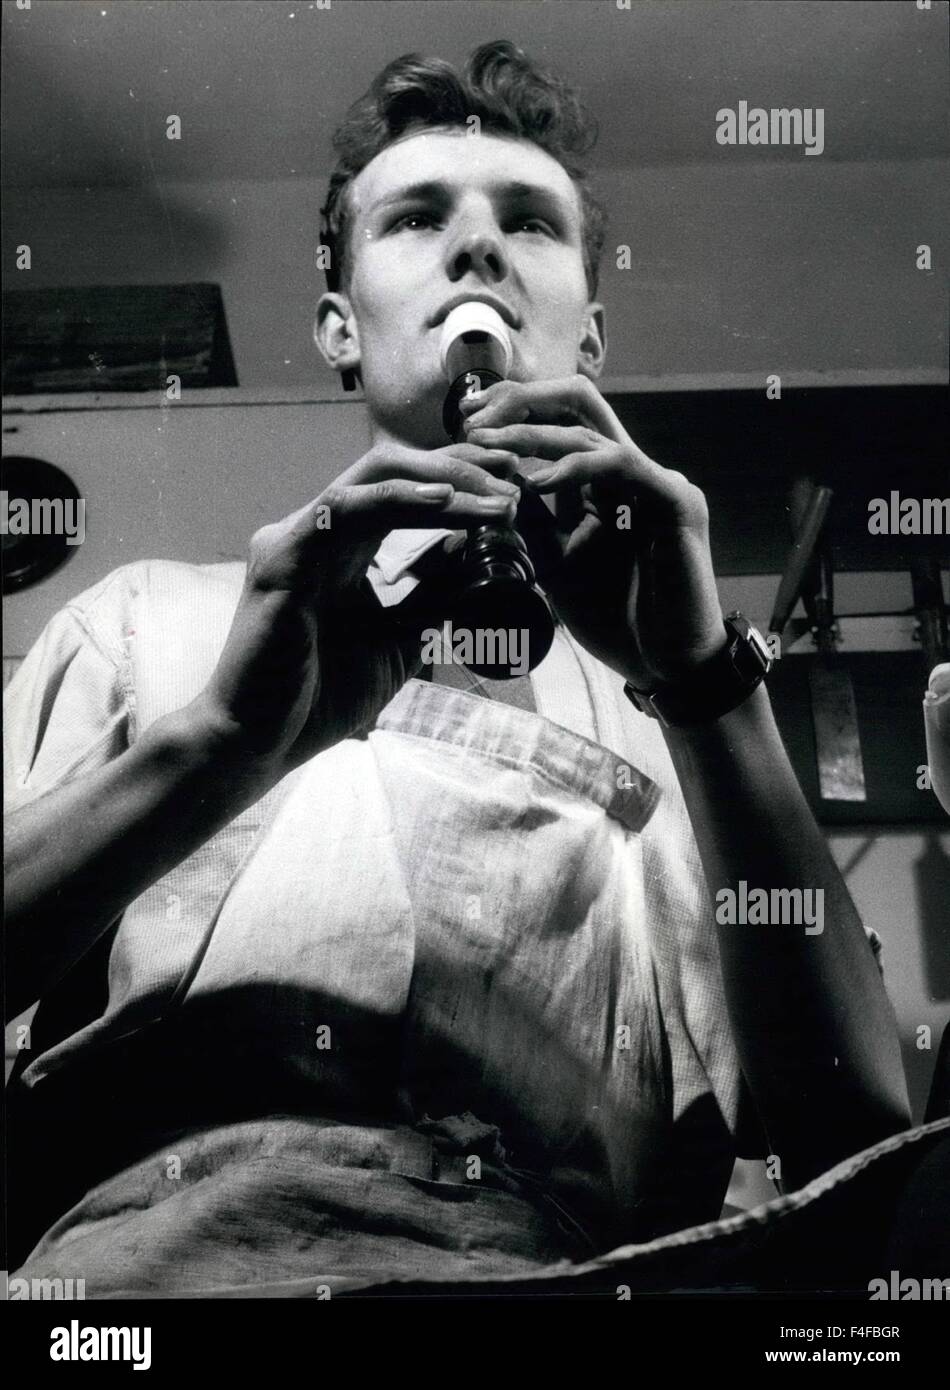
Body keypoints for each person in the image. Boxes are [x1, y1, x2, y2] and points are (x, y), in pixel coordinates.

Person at [3, 40, 911, 1297]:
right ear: (338, 323)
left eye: (528, 223)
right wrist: (216, 742)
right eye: (417, 217)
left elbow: (856, 1153)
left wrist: (703, 679)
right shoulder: (146, 623)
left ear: (587, 335)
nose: (476, 250)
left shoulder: (683, 719)